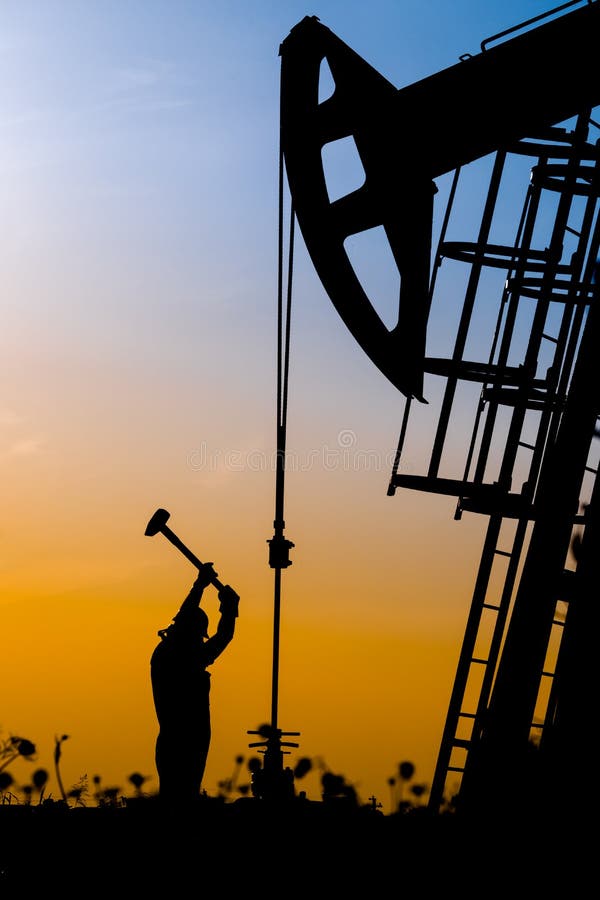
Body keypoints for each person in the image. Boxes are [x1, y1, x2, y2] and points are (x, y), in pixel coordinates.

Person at [150, 562, 239, 806]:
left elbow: (185, 617)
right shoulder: (184, 657)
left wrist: (200, 585)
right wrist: (230, 611)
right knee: (182, 801)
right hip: (185, 742)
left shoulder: (166, 651)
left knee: (175, 798)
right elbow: (222, 638)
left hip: (175, 740)